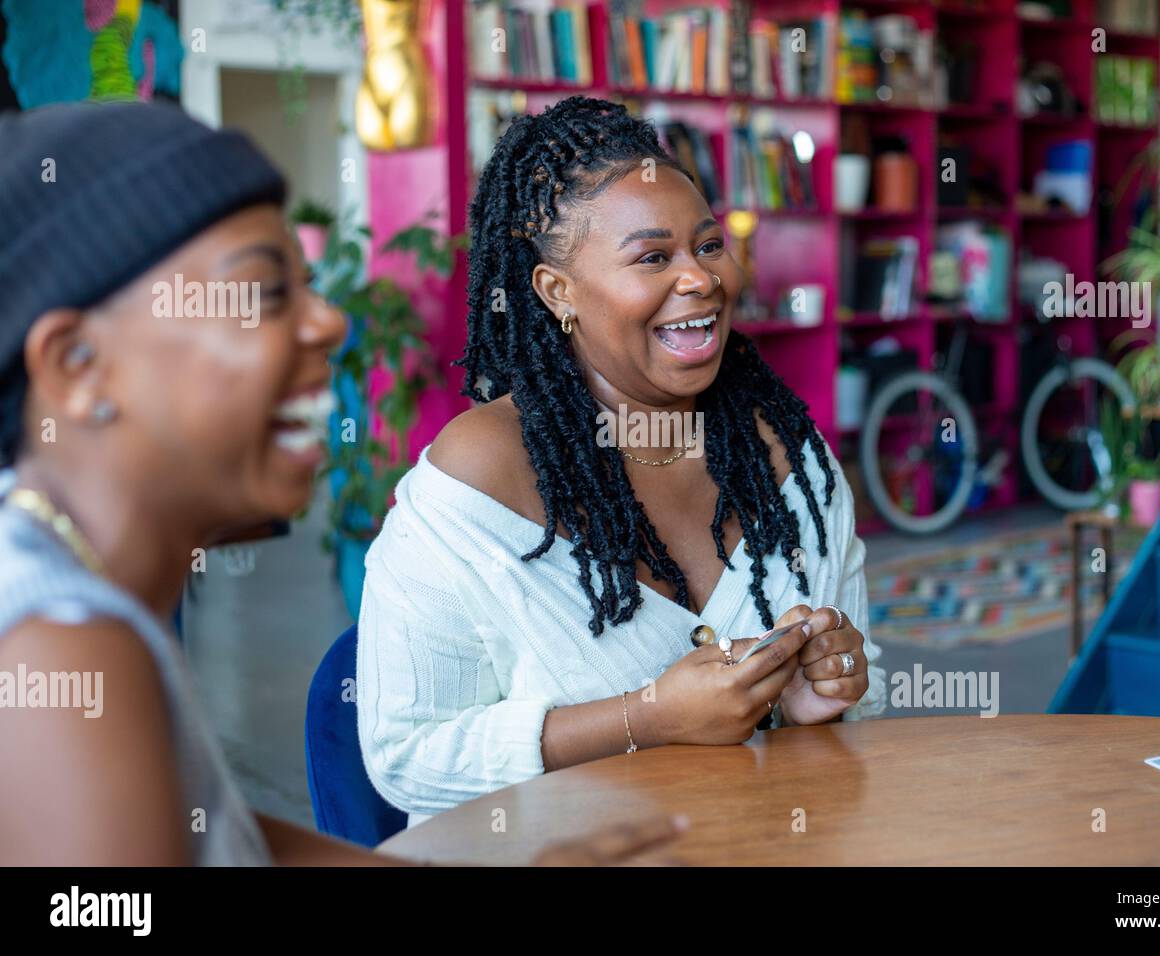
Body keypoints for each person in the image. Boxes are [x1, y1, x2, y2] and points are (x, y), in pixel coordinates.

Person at [0, 100, 683, 866]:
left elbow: (229, 844)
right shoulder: (59, 651)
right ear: (76, 366)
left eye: (308, 285)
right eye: (261, 293)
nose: (326, 323)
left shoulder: (86, 599)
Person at [358, 96, 887, 826]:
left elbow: (866, 693)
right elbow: (407, 759)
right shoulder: (474, 482)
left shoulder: (792, 462)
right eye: (652, 258)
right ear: (557, 293)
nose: (701, 280)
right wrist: (646, 718)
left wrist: (818, 700)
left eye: (708, 246)